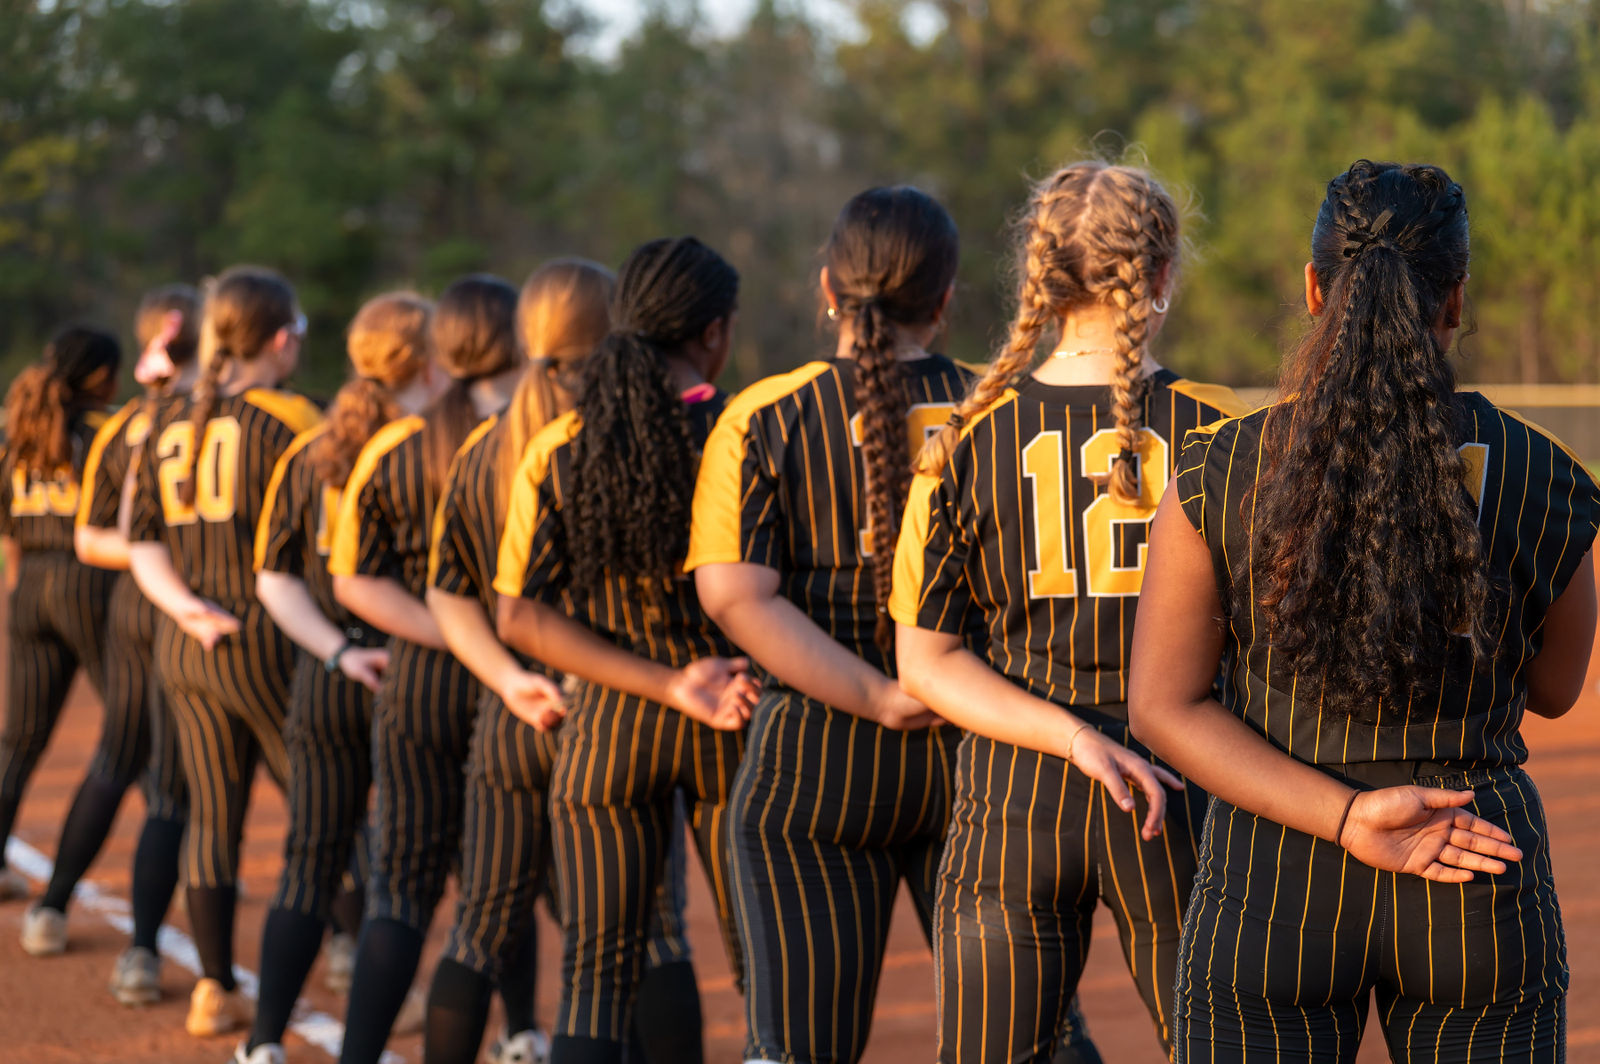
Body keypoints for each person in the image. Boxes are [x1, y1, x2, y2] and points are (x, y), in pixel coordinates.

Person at [1128, 159, 1597, 1062]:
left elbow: (1162, 706)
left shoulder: (1219, 469)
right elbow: (1556, 690)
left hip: (1274, 879)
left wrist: (1346, 819)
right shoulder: (1544, 473)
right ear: (1455, 300)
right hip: (1473, 864)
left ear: (1314, 289)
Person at [892, 161, 1247, 1062]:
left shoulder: (961, 436)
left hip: (1014, 797)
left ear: (1040, 277)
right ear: (1162, 276)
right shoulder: (1223, 431)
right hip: (1183, 793)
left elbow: (927, 663)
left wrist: (1070, 737)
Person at [687, 187, 971, 1064]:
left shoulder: (765, 413)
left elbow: (735, 595)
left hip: (813, 761)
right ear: (944, 300)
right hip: (975, 750)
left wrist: (879, 696)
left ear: (827, 290)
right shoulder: (996, 404)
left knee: (800, 1048)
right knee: (1031, 1035)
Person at [494, 236, 753, 1064]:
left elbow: (520, 621)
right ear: (712, 334)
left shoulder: (560, 446)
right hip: (739, 721)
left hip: (610, 730)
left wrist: (665, 682)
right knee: (769, 970)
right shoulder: (748, 431)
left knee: (598, 974)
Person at [238, 291, 443, 1064]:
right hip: (426, 673)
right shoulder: (441, 444)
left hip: (330, 680)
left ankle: (263, 1044)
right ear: (431, 360)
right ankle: (521, 1030)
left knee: (310, 863)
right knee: (467, 870)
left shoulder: (309, 449)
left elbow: (273, 580)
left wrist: (335, 651)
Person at [329, 274, 529, 1064]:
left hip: (419, 682)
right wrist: (471, 637)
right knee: (499, 891)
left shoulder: (393, 444)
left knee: (402, 890)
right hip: (511, 681)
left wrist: (442, 633)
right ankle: (522, 1035)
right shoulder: (530, 435)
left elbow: (354, 579)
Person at [128, 265, 322, 1039]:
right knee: (319, 810)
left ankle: (214, 986)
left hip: (187, 638)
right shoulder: (290, 417)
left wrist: (186, 610)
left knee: (212, 815)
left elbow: (139, 543)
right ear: (279, 339)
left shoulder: (167, 415)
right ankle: (357, 956)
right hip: (269, 639)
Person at [19, 288, 198, 1013]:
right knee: (191, 785)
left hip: (117, 601)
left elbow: (93, 534)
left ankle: (52, 907)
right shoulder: (226, 417)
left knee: (115, 756)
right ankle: (154, 956)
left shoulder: (123, 424)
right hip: (191, 609)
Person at [0, 326, 121, 901]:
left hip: (28, 585)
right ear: (99, 378)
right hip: (90, 585)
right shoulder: (104, 430)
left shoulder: (14, 429)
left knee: (18, 739)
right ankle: (185, 855)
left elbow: (6, 528)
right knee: (133, 729)